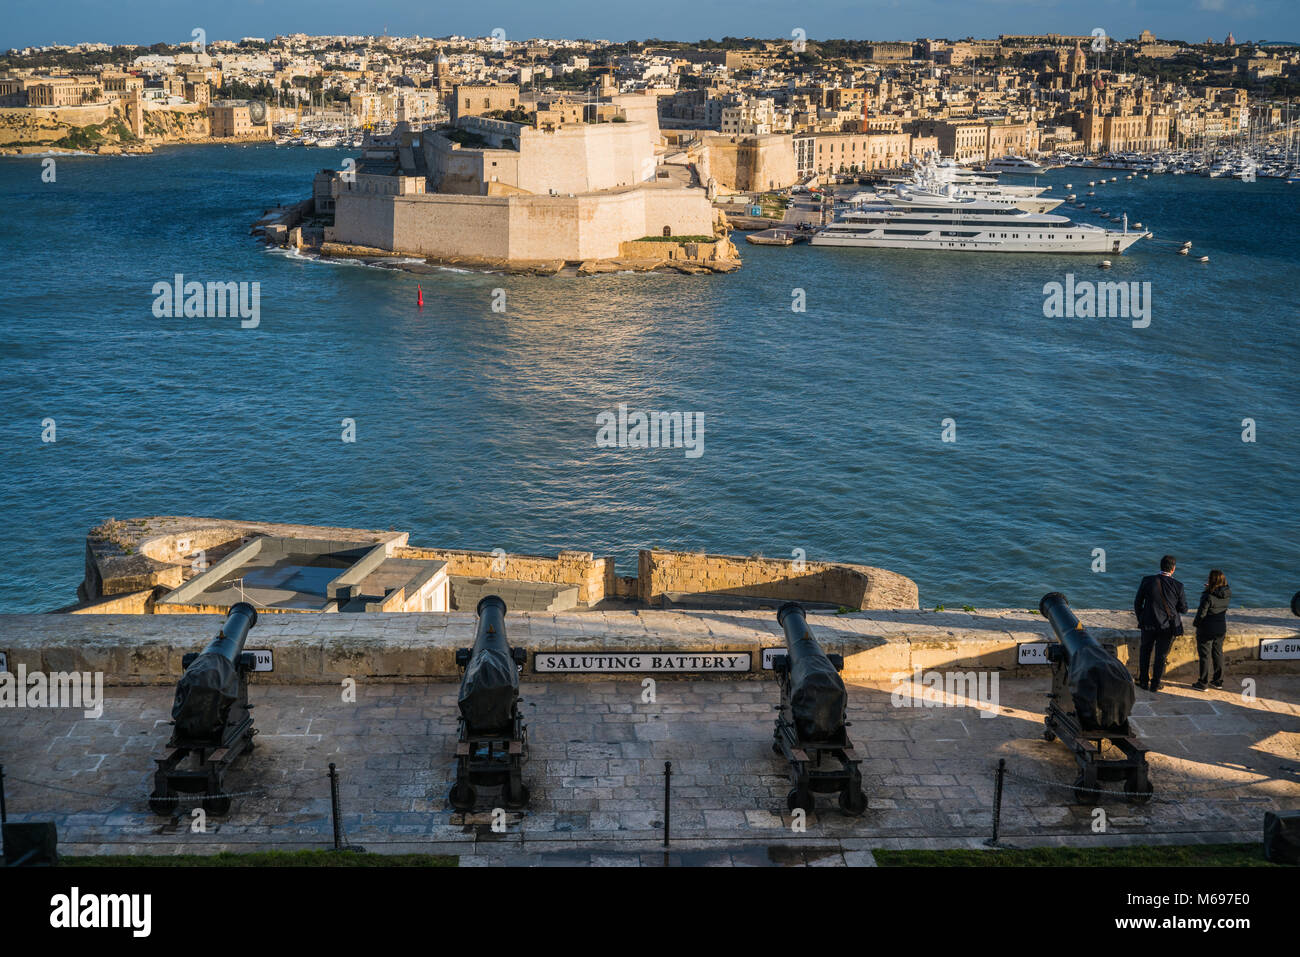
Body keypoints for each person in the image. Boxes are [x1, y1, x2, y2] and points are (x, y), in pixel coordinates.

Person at [1133, 555, 1187, 692]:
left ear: (1160, 566)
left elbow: (1137, 602)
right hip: (1167, 626)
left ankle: (1143, 681)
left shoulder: (1147, 580)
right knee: (1161, 655)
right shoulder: (1178, 586)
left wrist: (1141, 618)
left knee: (1145, 652)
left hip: (1148, 624)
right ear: (1173, 569)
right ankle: (1155, 684)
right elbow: (1184, 609)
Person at [1191, 570, 1231, 690]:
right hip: (1220, 629)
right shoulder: (1227, 593)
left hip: (1206, 629)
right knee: (1218, 653)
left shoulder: (1208, 596)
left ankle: (1203, 683)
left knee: (1205, 656)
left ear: (1211, 581)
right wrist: (1211, 589)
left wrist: (1196, 625)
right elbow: (1219, 594)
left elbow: (1201, 614)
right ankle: (1218, 681)